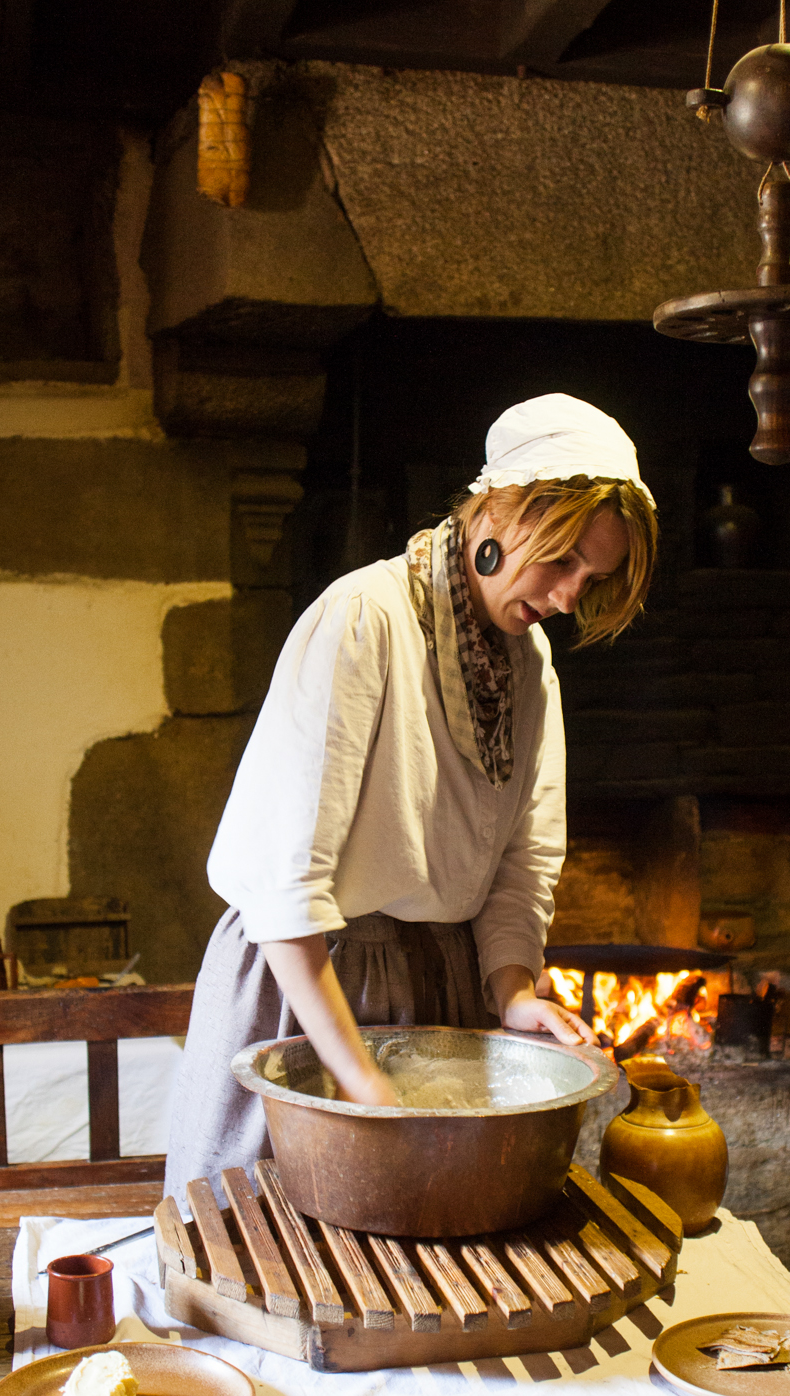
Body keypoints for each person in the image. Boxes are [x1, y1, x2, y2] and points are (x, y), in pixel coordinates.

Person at [164, 393, 658, 1209]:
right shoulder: (366, 619)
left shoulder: (527, 666)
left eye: (591, 578)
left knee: (427, 1243)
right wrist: (359, 1082)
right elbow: (284, 893)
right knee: (264, 1250)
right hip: (311, 986)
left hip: (442, 984)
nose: (570, 596)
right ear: (500, 506)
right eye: (564, 560)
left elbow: (524, 862)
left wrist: (512, 993)